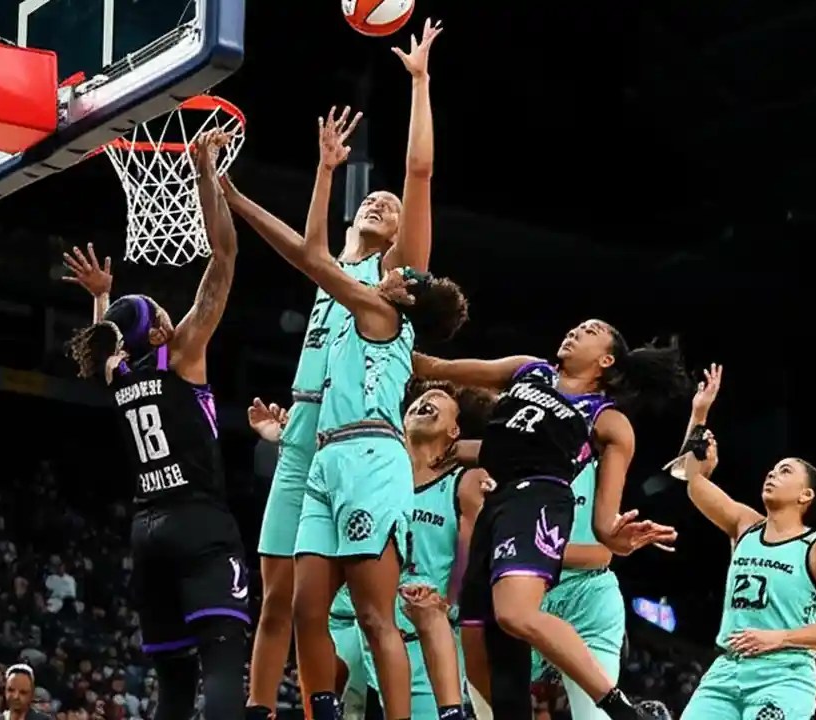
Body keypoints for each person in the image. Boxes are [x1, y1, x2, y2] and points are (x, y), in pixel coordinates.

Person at [233, 21, 444, 720]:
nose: (385, 202)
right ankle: (287, 706)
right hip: (311, 434)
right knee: (290, 602)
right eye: (373, 200)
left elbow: (417, 175)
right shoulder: (336, 275)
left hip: (362, 440)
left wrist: (418, 82)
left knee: (371, 611)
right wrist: (324, 173)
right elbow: (311, 248)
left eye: (392, 205)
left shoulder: (387, 280)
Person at [414, 321, 689, 720]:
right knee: (475, 636)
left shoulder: (608, 421)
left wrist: (620, 539)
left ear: (605, 360)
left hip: (540, 499)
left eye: (590, 330)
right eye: (576, 326)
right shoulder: (530, 370)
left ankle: (621, 708)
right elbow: (439, 367)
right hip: (501, 502)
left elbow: (603, 526)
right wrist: (392, 345)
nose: (575, 331)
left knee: (514, 614)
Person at [62, 132, 248, 720]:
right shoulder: (185, 353)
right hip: (199, 520)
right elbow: (224, 257)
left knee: (171, 681)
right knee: (221, 665)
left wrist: (104, 300)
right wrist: (203, 175)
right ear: (163, 334)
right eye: (166, 314)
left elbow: (105, 350)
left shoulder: (121, 376)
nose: (174, 315)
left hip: (147, 530)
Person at [249, 381, 495, 720]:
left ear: (455, 429)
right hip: (349, 623)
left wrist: (447, 607)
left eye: (437, 400)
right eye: (420, 399)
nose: (425, 401)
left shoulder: (464, 482)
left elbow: (471, 567)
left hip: (416, 635)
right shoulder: (370, 472)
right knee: (318, 687)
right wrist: (289, 441)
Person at [677, 366, 816, 720]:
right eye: (773, 469)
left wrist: (780, 638)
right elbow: (692, 480)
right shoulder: (745, 524)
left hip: (784, 673)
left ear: (806, 495)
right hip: (726, 670)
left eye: (785, 470)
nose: (773, 473)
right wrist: (700, 411)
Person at [527, 458, 626, 720]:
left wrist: (529, 549)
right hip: (524, 598)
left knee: (595, 714)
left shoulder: (601, 469)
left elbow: (603, 554)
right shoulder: (513, 460)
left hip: (587, 597)